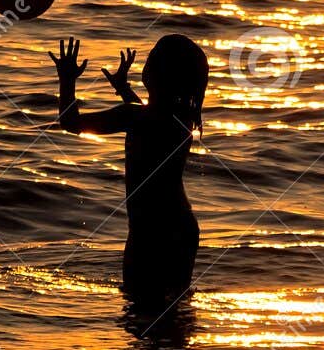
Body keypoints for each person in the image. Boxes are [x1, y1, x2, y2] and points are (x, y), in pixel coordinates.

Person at [49, 34, 209, 308]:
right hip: (182, 228)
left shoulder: (133, 116)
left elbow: (70, 121)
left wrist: (67, 78)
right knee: (175, 317)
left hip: (149, 232)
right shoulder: (181, 119)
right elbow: (148, 119)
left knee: (141, 317)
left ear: (156, 73)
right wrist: (123, 87)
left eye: (151, 60)